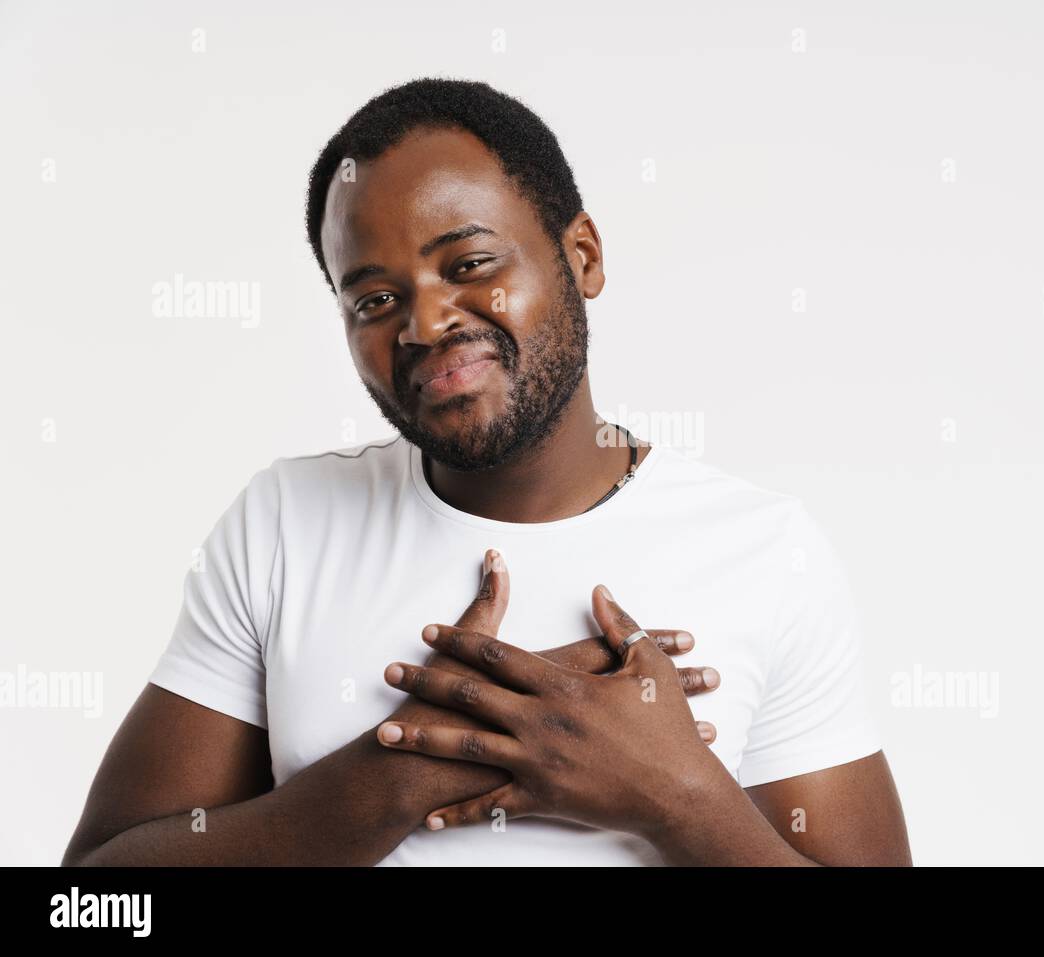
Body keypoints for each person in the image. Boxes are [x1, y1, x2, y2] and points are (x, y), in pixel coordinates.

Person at [63, 78, 911, 866]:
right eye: (373, 299)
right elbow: (92, 906)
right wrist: (401, 773)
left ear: (582, 255)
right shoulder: (286, 522)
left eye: (469, 265)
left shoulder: (764, 550)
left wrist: (676, 795)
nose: (425, 322)